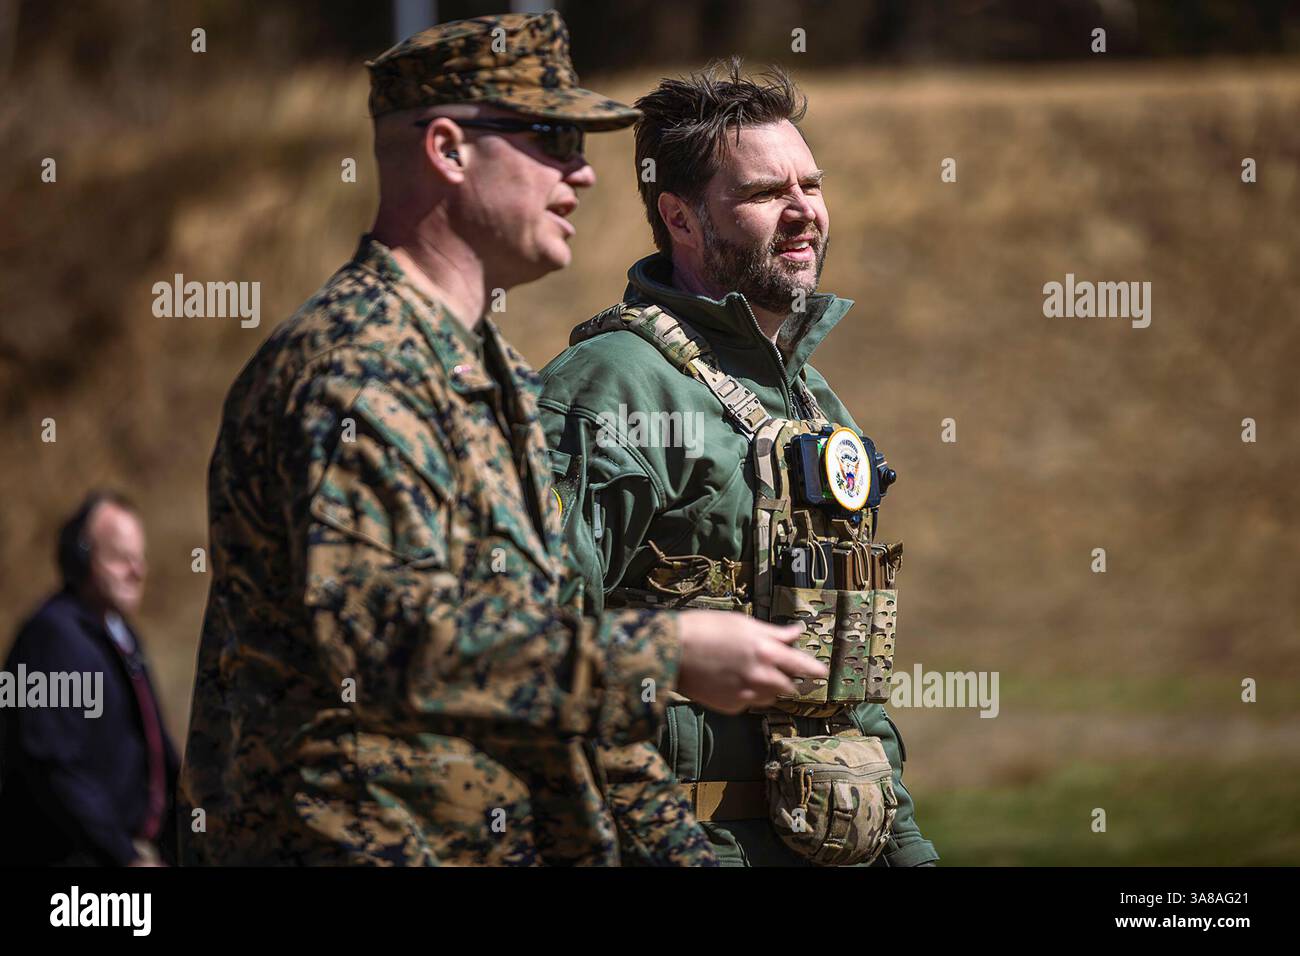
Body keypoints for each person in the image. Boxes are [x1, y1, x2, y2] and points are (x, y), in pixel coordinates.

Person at [177, 12, 822, 867]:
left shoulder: (499, 383)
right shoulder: (354, 372)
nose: (584, 174)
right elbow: (382, 644)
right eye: (550, 140)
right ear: (448, 151)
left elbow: (553, 660)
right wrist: (668, 650)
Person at [538, 60, 940, 866]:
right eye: (764, 194)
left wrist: (906, 851)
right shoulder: (609, 389)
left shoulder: (815, 405)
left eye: (812, 186)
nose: (804, 215)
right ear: (679, 218)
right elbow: (522, 648)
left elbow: (842, 689)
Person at [0, 490, 179, 866]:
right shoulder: (49, 639)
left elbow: (158, 751)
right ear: (80, 558)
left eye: (140, 558)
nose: (138, 571)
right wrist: (124, 855)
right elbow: (53, 766)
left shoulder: (121, 638)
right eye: (120, 558)